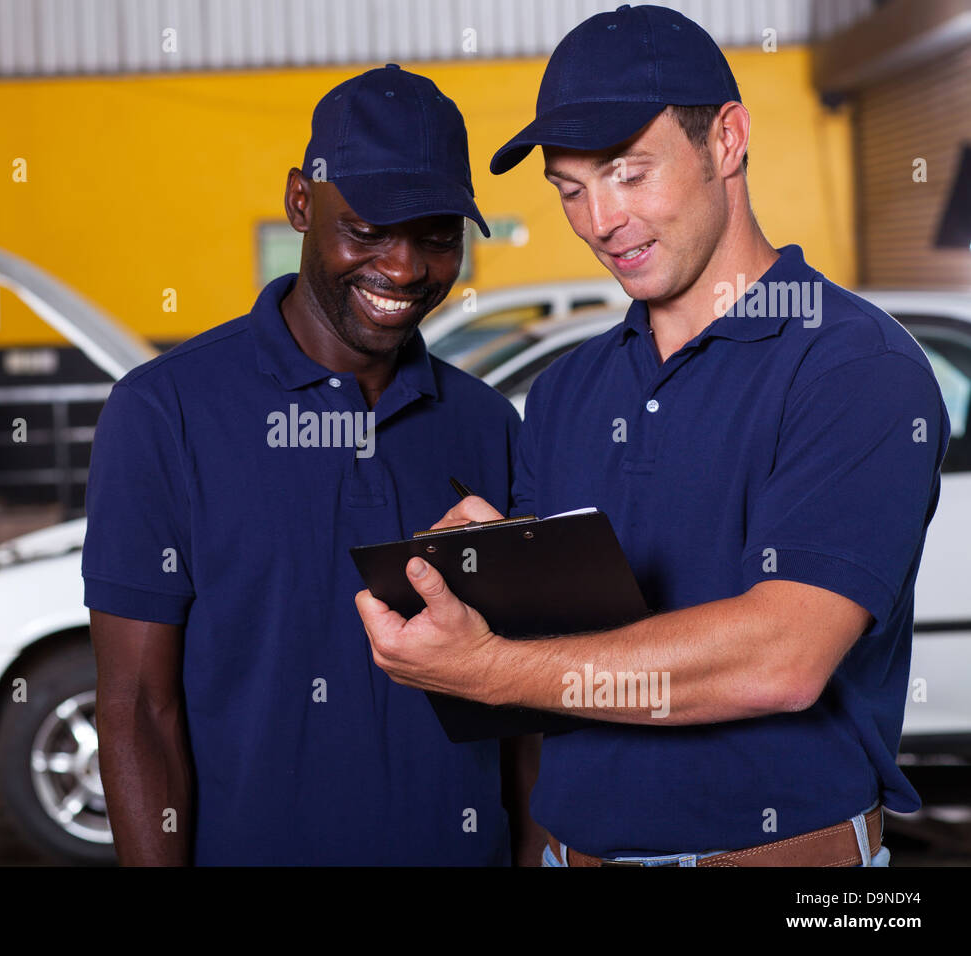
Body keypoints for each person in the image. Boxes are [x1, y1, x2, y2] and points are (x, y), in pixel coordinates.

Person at [356, 5, 949, 868]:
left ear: (729, 141)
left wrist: (487, 669)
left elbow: (780, 659)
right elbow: (558, 641)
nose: (601, 220)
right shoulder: (565, 392)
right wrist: (485, 579)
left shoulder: (855, 367)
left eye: (629, 174)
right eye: (570, 190)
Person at [83, 64, 541, 865]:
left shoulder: (487, 426)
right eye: (367, 230)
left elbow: (525, 711)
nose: (403, 269)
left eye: (438, 236)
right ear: (302, 201)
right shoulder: (165, 413)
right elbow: (136, 709)